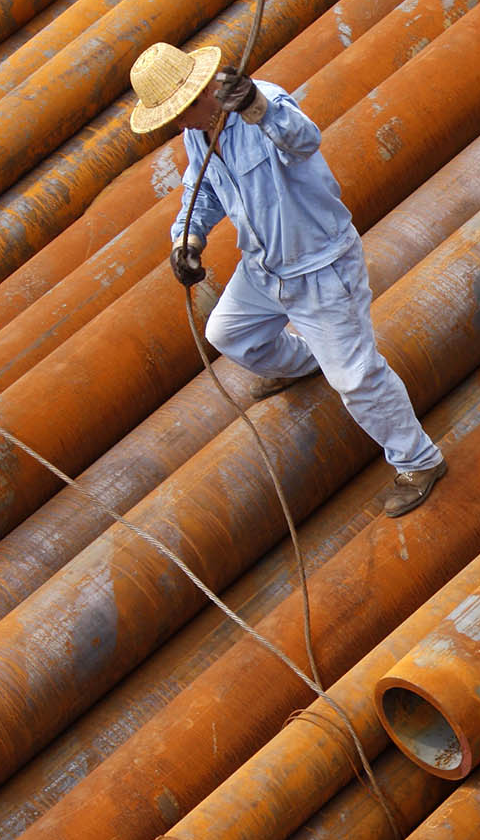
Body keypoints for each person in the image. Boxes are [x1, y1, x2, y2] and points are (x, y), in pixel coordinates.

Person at [128, 41, 448, 517]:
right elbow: (202, 190)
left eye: (179, 114)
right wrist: (186, 241)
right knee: (226, 333)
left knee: (356, 378)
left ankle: (419, 461)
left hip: (319, 267)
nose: (177, 125)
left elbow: (303, 140)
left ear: (200, 95)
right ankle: (304, 361)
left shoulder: (264, 105)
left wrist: (256, 106)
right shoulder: (198, 134)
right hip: (264, 266)